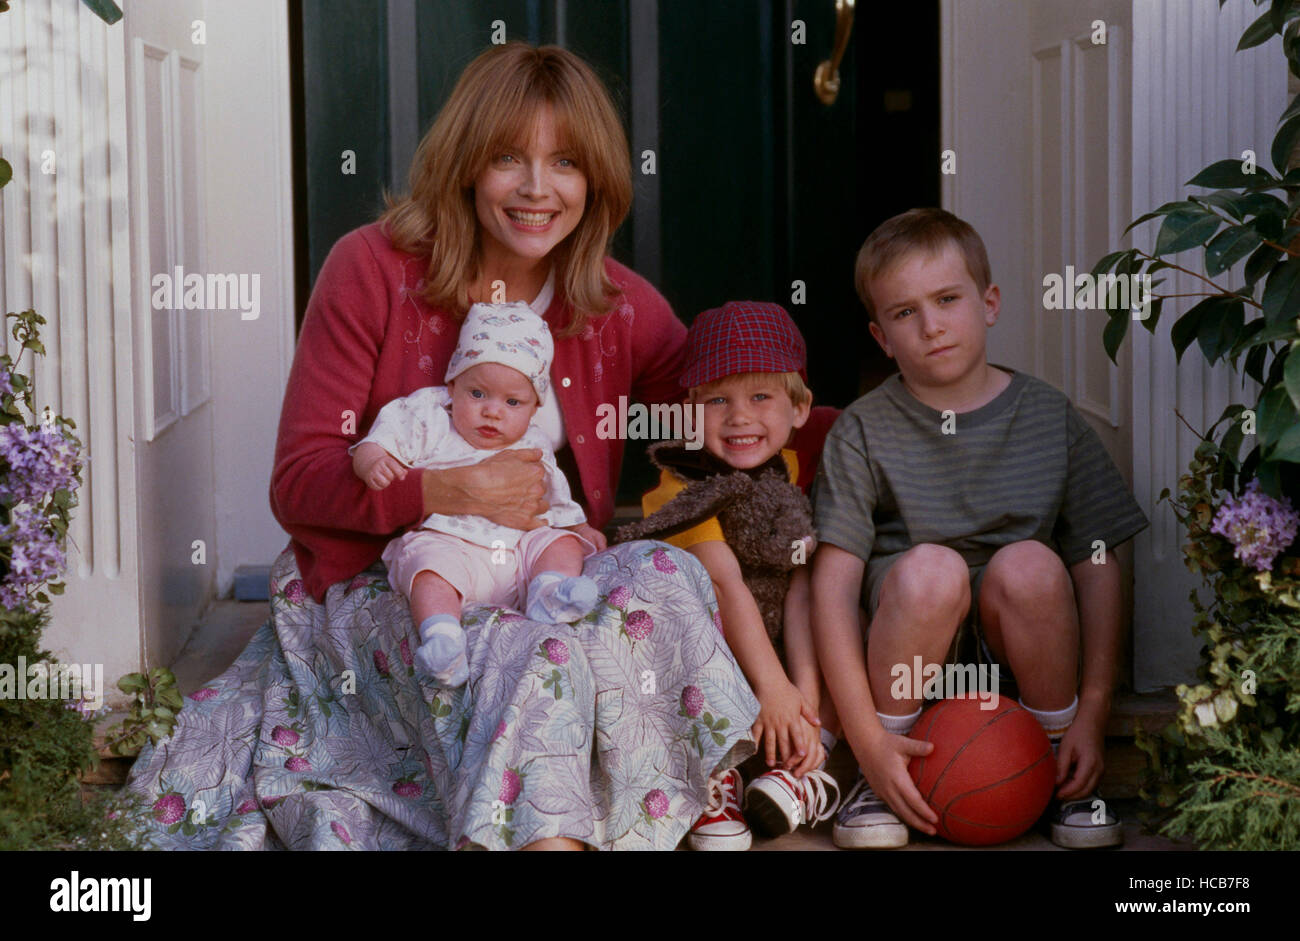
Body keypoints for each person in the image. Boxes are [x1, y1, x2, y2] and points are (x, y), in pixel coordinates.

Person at [125, 42, 760, 851]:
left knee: (666, 573)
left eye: (565, 162)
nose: (537, 189)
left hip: (535, 574)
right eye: (507, 158)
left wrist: (882, 422)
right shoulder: (373, 268)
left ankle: (693, 790)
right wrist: (446, 491)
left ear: (595, 179)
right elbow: (299, 480)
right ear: (464, 164)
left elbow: (725, 406)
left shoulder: (611, 303)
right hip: (389, 586)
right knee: (536, 653)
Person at [811, 208, 1148, 849]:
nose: (932, 325)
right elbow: (832, 588)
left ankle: (1059, 766)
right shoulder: (861, 428)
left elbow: (1099, 563)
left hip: (1020, 657)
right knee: (930, 570)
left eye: (946, 300)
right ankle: (886, 775)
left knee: (1032, 564)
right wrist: (863, 738)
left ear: (988, 303)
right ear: (882, 338)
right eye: (905, 313)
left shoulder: (1049, 415)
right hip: (909, 657)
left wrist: (1095, 709)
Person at [628, 302, 843, 851]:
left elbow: (801, 588)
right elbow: (726, 586)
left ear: (799, 408)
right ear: (688, 412)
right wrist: (773, 690)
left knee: (839, 594)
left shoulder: (797, 472)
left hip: (784, 654)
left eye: (761, 396)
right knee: (670, 631)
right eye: (717, 399)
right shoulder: (678, 485)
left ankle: (804, 763)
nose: (739, 416)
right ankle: (712, 777)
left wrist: (802, 702)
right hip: (714, 656)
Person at [351, 302, 602, 688]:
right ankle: (443, 639)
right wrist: (372, 462)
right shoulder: (429, 415)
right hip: (452, 546)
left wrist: (580, 527)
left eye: (512, 402)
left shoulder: (534, 442)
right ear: (452, 385)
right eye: (478, 393)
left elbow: (557, 498)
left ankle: (548, 592)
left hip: (518, 553)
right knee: (428, 571)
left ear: (534, 407)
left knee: (561, 542)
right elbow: (378, 441)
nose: (492, 412)